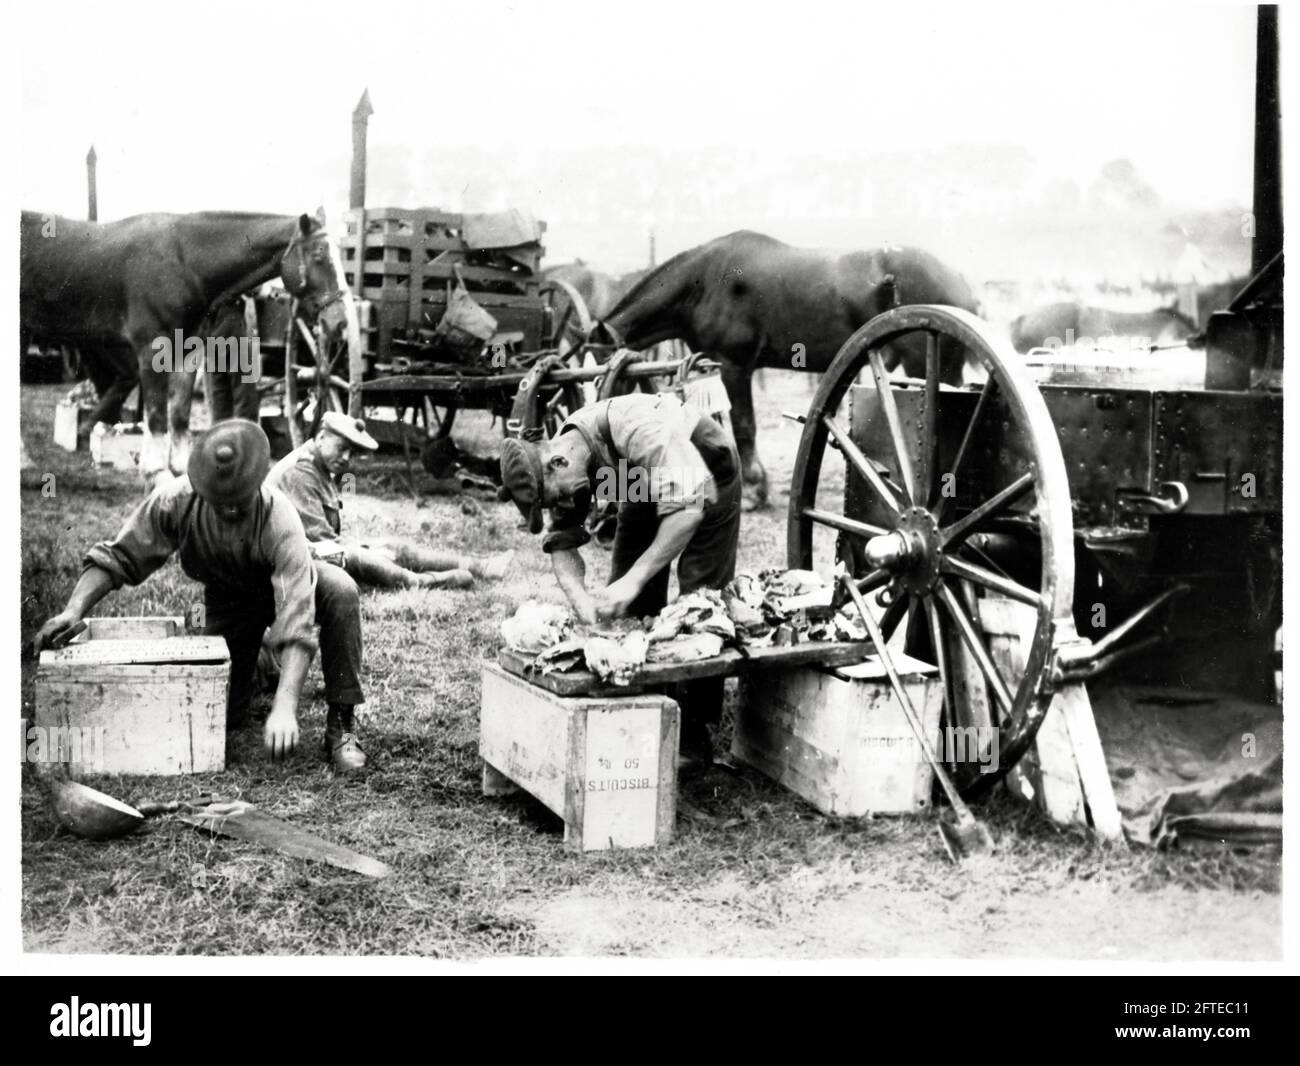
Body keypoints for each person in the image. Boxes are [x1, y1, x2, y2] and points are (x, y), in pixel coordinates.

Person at [34, 419, 370, 774]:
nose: (230, 511)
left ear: (256, 484)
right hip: (232, 598)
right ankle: (261, 662)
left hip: (296, 583)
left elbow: (296, 616)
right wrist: (74, 610)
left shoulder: (279, 517)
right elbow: (118, 557)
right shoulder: (175, 501)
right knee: (224, 715)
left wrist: (286, 705)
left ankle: (342, 722)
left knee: (342, 592)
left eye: (239, 501)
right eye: (219, 502)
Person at [498, 393, 742, 764]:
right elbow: (561, 539)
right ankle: (641, 707)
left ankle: (692, 734)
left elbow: (688, 508)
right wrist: (581, 600)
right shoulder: (570, 458)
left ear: (557, 463)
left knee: (698, 603)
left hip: (705, 475)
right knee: (630, 609)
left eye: (558, 497)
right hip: (638, 482)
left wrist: (632, 581)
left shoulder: (636, 428)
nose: (564, 505)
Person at [267, 411, 512, 590]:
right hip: (288, 564)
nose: (346, 457)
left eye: (350, 452)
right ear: (321, 438)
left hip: (315, 551)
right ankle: (425, 582)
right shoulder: (300, 472)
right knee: (368, 558)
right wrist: (369, 552)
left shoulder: (319, 466)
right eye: (341, 448)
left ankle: (481, 566)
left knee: (395, 548)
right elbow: (323, 541)